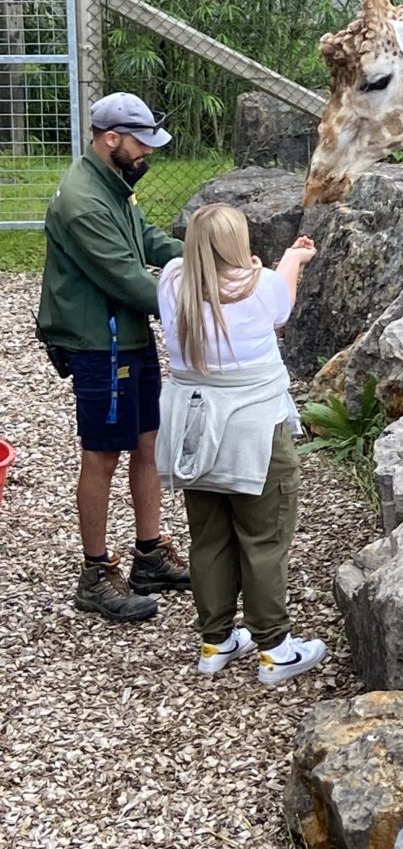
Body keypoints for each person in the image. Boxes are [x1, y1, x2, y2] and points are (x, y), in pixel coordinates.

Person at [156, 204, 327, 687]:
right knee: (264, 539)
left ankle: (216, 641)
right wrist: (291, 259)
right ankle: (274, 648)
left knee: (209, 538)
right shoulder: (262, 286)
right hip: (254, 431)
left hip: (192, 429)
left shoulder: (171, 282)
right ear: (239, 244)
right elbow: (281, 305)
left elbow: (212, 280)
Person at [37, 93, 190, 622]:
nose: (148, 152)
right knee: (103, 454)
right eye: (141, 142)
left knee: (146, 442)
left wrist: (205, 256)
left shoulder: (114, 183)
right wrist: (205, 301)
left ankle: (149, 555)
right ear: (111, 139)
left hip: (126, 336)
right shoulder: (83, 201)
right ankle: (95, 573)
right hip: (97, 342)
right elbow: (127, 280)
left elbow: (146, 241)